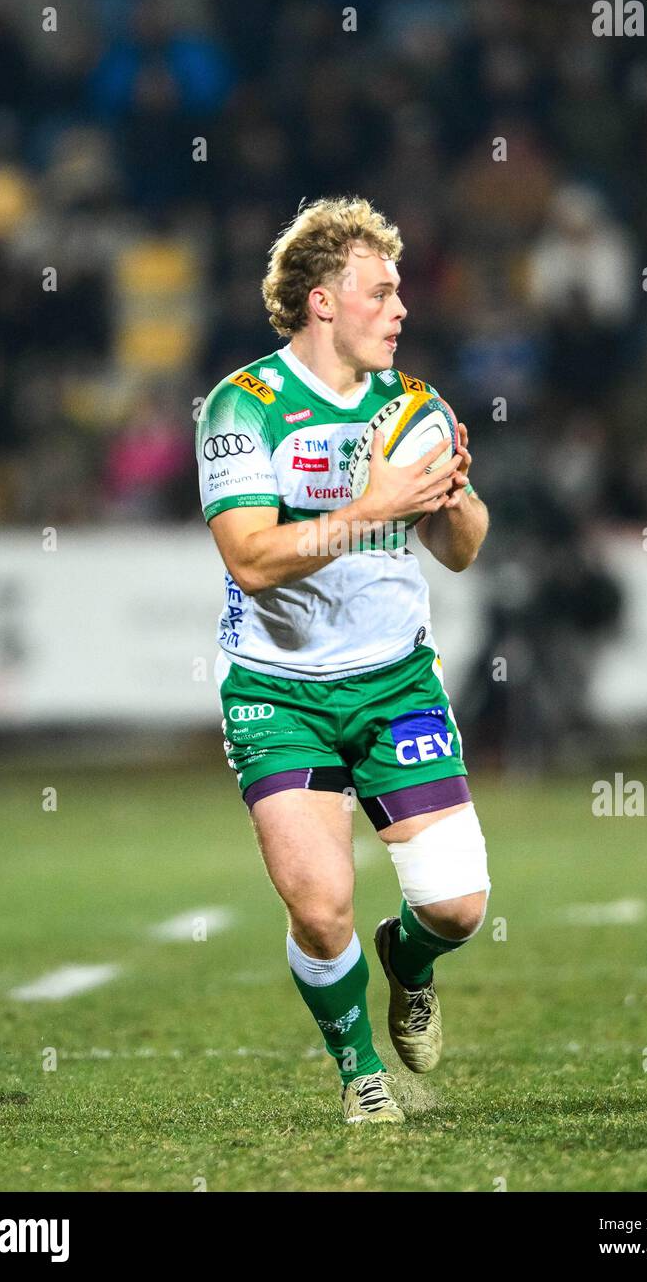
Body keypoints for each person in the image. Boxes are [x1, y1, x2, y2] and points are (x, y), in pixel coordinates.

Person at [195, 196, 490, 1123]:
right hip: (278, 692)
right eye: (383, 291)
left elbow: (463, 548)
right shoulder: (242, 408)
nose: (402, 309)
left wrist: (449, 494)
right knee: (320, 908)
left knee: (457, 911)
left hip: (396, 682)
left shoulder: (414, 406)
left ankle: (408, 963)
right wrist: (372, 504)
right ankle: (362, 1073)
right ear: (323, 301)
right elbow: (250, 555)